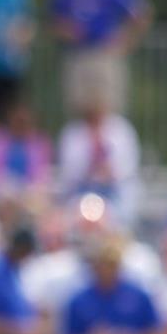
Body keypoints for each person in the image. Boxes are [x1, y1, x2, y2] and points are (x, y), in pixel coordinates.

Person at [50, 0, 151, 113]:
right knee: (77, 106)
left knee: (110, 107)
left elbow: (141, 12)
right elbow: (54, 21)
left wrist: (126, 42)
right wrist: (66, 31)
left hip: (105, 53)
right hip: (77, 54)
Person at [56, 79, 143, 227]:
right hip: (81, 193)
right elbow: (69, 173)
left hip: (116, 194)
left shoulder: (121, 130)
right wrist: (90, 166)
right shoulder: (72, 133)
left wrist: (110, 171)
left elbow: (129, 167)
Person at [0, 100, 53, 205]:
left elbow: (41, 177)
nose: (21, 124)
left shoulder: (41, 144)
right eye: (18, 120)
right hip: (0, 196)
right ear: (10, 118)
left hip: (30, 197)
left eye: (24, 121)